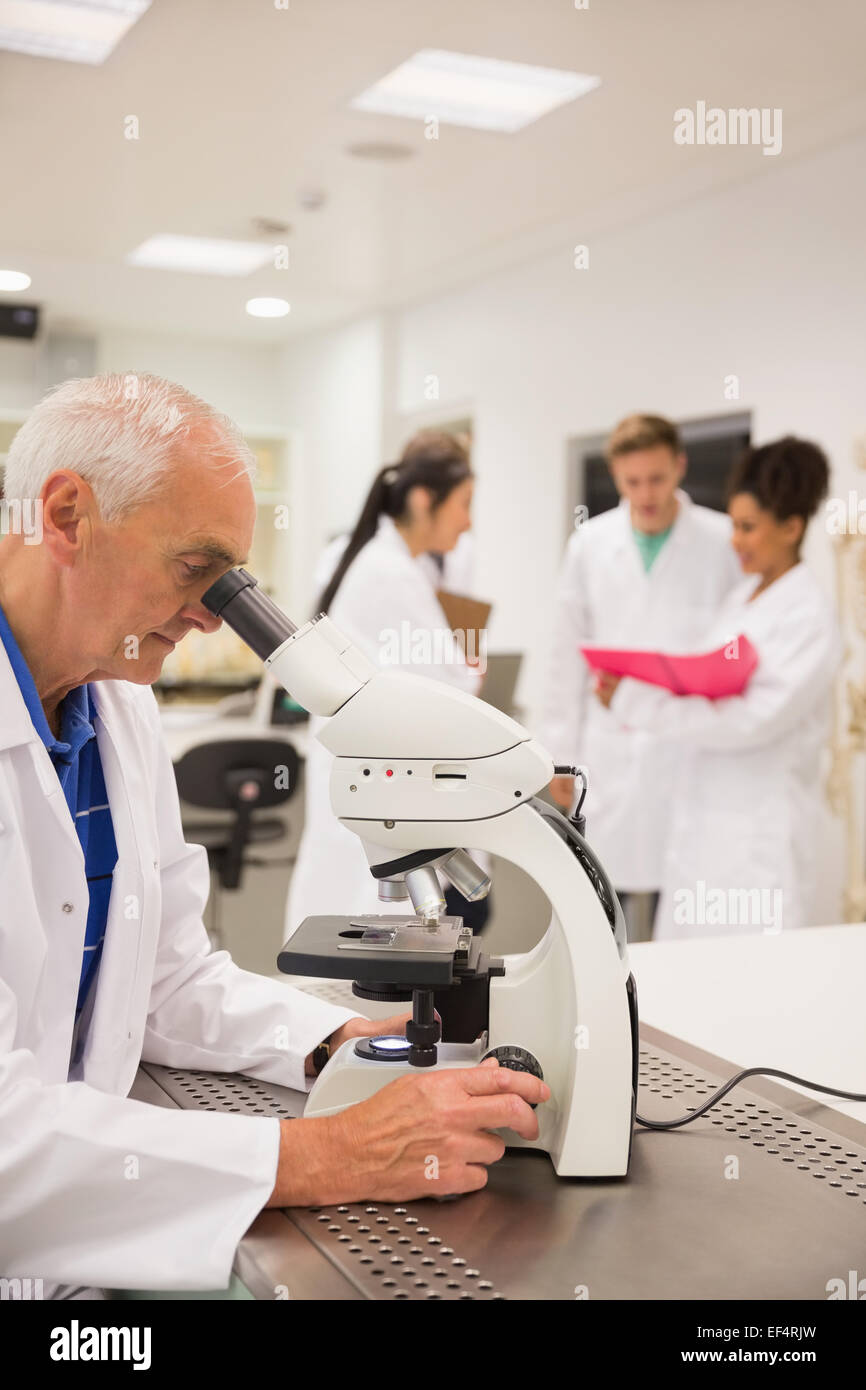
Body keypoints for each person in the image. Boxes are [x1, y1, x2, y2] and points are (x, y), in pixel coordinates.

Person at [0, 377, 547, 1297]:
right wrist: (324, 1154)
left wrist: (338, 1042)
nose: (214, 614)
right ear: (66, 516)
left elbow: (167, 982)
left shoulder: (116, 707)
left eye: (228, 583)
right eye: (194, 569)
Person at [596, 436, 841, 938]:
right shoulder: (744, 598)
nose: (736, 540)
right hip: (700, 826)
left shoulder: (809, 616)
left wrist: (639, 705)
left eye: (749, 528)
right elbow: (704, 686)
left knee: (749, 989)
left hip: (758, 837)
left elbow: (750, 721)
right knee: (683, 990)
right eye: (734, 524)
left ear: (792, 528)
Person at [540, 414, 741, 935]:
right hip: (610, 747)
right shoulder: (590, 543)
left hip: (690, 747)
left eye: (656, 479)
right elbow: (564, 655)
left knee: (689, 897)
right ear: (616, 474)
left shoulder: (722, 541)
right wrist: (558, 757)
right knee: (604, 900)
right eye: (632, 482)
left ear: (679, 466)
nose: (646, 494)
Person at [286, 430, 491, 935]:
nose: (468, 520)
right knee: (383, 930)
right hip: (378, 783)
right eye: (464, 504)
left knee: (353, 918)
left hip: (364, 777)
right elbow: (448, 692)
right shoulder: (391, 572)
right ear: (425, 501)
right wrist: (473, 671)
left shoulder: (381, 561)